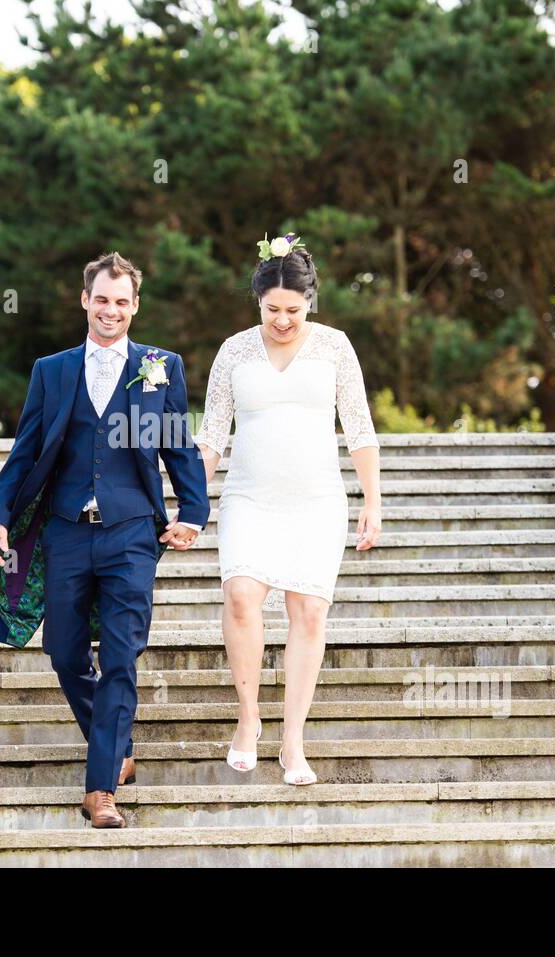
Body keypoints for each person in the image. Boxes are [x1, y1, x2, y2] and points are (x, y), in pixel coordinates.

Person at [0, 251, 210, 827]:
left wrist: (194, 512)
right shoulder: (51, 371)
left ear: (135, 306)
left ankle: (99, 788)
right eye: (101, 299)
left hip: (132, 533)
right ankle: (116, 747)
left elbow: (176, 445)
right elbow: (25, 450)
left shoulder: (160, 366)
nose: (111, 310)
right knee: (66, 654)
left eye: (122, 302)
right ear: (85, 300)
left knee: (123, 656)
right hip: (66, 533)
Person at [193, 234, 382, 786]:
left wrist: (373, 501)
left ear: (311, 302)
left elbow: (361, 428)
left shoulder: (335, 347)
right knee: (241, 594)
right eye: (272, 309)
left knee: (310, 612)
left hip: (317, 499)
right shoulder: (233, 350)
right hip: (249, 495)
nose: (282, 320)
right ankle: (249, 717)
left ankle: (293, 740)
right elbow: (211, 436)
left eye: (293, 310)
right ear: (258, 303)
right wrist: (189, 499)